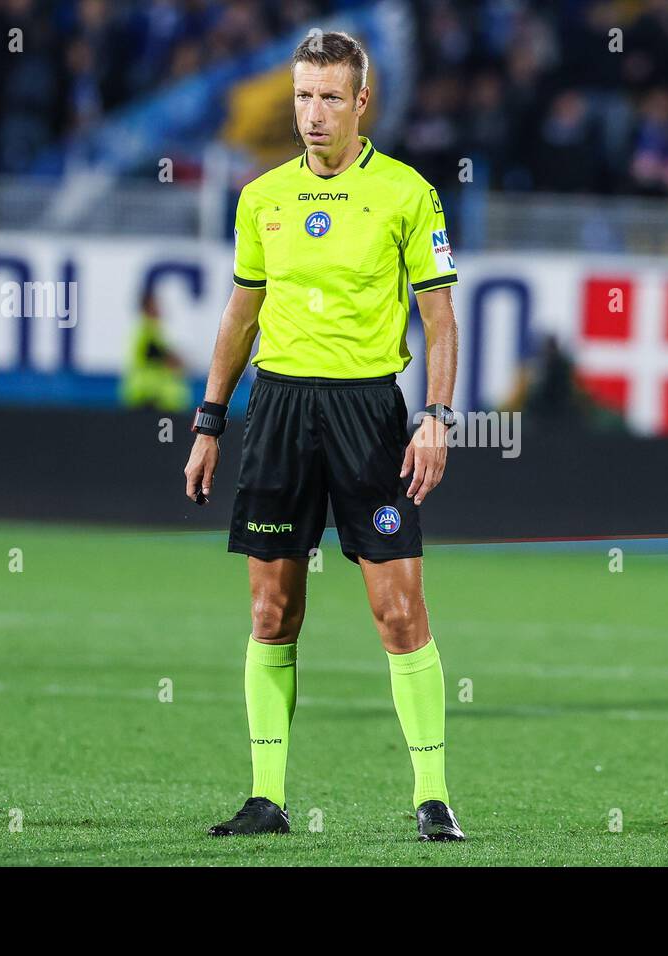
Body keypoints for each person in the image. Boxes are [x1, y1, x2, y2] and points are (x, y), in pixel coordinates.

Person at [182, 31, 464, 841]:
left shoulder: (408, 194)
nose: (312, 113)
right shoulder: (262, 196)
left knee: (399, 612)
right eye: (303, 95)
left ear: (361, 103)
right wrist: (209, 420)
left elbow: (439, 317)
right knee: (272, 610)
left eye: (330, 97)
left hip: (368, 414)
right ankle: (266, 797)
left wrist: (437, 418)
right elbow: (241, 315)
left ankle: (434, 798)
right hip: (276, 413)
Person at [120, 290, 190, 412]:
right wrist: (177, 360)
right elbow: (164, 357)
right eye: (156, 305)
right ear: (147, 308)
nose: (160, 308)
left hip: (152, 396)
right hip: (148, 395)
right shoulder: (146, 332)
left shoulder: (153, 332)